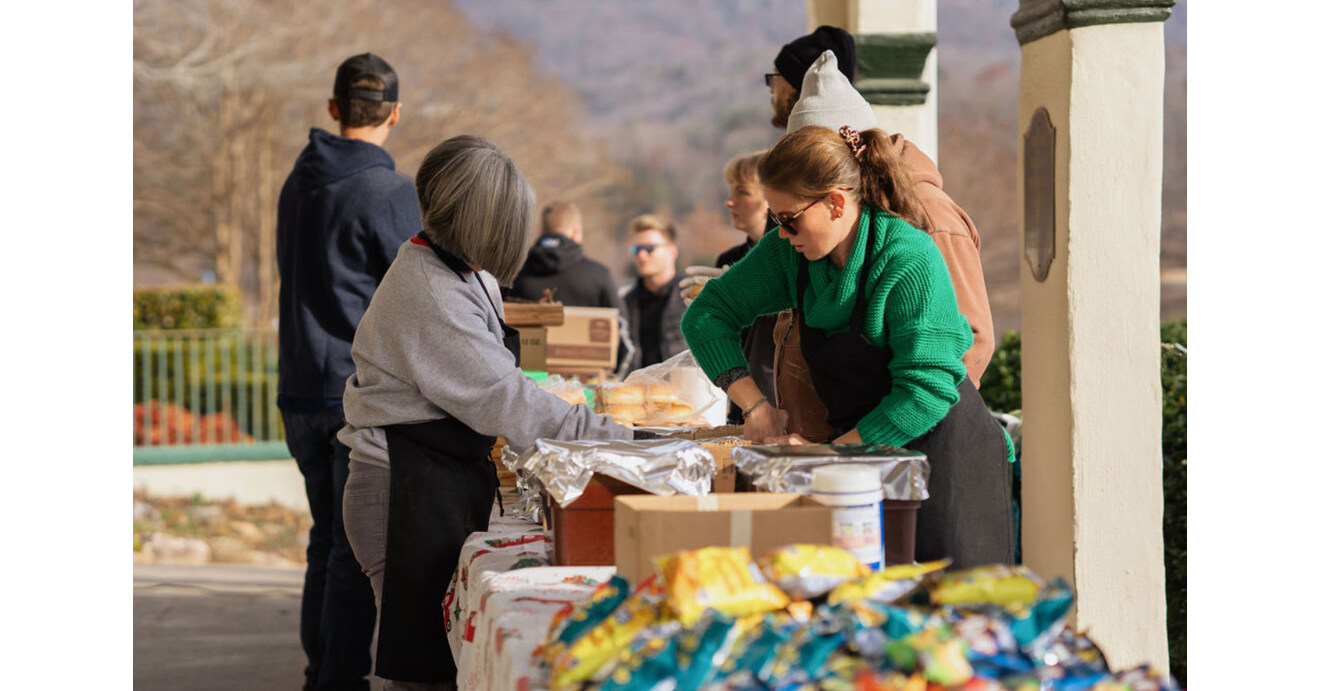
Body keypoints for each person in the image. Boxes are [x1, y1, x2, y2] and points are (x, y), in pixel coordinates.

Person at [337, 135, 637, 690]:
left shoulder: (463, 271)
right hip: (401, 495)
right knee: (425, 675)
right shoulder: (430, 291)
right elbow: (509, 400)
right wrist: (629, 438)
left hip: (436, 483)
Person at [680, 124, 1013, 569]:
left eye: (789, 218)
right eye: (775, 219)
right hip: (861, 460)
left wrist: (832, 455)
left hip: (947, 460)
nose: (780, 233)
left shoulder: (908, 258)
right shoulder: (790, 254)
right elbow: (707, 313)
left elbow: (926, 391)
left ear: (836, 202)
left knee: (953, 610)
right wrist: (755, 406)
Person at [276, 52, 420, 691]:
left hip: (298, 386)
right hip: (353, 395)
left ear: (334, 109)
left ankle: (319, 673)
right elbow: (424, 291)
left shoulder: (297, 182)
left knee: (324, 541)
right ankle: (336, 680)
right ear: (395, 113)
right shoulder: (389, 192)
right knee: (353, 553)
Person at [681, 151, 778, 424]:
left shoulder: (796, 258)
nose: (729, 201)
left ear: (771, 197)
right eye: (730, 191)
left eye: (743, 192)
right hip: (740, 398)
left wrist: (746, 290)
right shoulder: (727, 259)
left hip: (781, 400)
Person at [508, 201, 620, 308]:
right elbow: (621, 324)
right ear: (575, 232)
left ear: (541, 232)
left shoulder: (513, 274)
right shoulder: (600, 276)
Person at [617, 214, 688, 376]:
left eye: (649, 248)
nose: (641, 256)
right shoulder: (626, 301)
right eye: (636, 249)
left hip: (684, 392)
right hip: (637, 392)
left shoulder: (692, 296)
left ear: (672, 252)